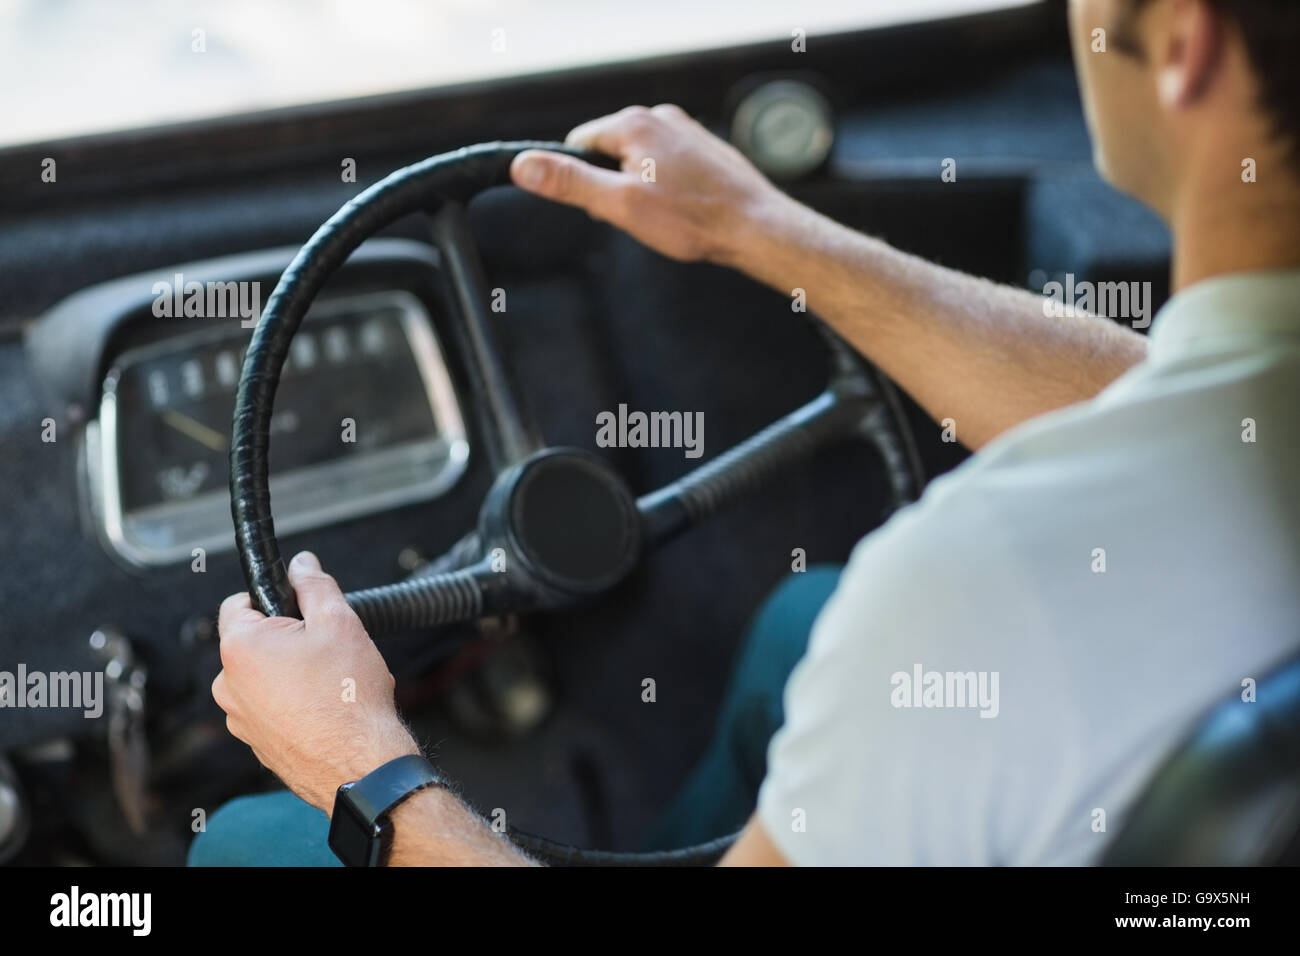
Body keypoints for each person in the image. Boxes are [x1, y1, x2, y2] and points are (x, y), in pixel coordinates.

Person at [191, 0, 1300, 866]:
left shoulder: (980, 588)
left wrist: (366, 770)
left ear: (1184, 46)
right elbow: (1171, 407)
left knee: (254, 841)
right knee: (808, 626)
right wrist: (761, 229)